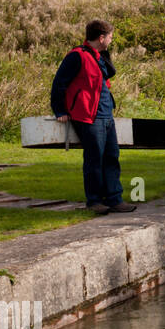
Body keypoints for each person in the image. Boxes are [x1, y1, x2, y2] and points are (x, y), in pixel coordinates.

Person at [50, 19, 137, 214]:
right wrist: (60, 111)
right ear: (101, 37)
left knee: (112, 157)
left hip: (106, 115)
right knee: (94, 159)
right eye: (110, 37)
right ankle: (95, 201)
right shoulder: (76, 56)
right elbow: (59, 84)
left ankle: (115, 199)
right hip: (88, 116)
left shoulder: (99, 56)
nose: (111, 40)